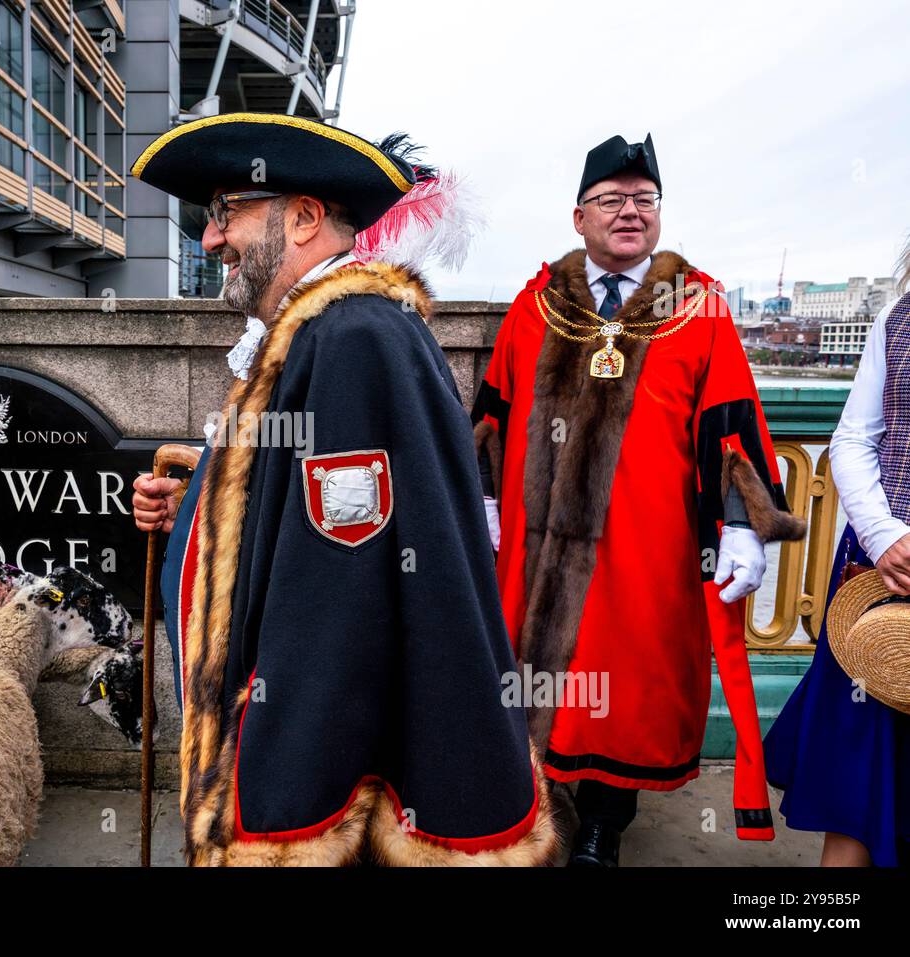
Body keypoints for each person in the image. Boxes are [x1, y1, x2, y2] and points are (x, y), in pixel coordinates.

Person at [129, 112, 556, 866]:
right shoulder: (320, 333)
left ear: (302, 218)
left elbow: (338, 591)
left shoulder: (353, 341)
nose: (210, 239)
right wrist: (197, 506)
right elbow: (294, 496)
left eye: (226, 212)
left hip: (320, 786)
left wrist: (286, 805)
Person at [470, 133, 806, 866]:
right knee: (541, 679)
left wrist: (745, 525)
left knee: (627, 690)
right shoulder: (535, 307)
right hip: (540, 543)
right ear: (579, 216)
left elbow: (734, 422)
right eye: (613, 200)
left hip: (647, 547)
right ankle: (543, 804)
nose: (631, 212)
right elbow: (491, 411)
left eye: (644, 200)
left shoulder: (700, 307)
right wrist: (487, 504)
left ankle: (603, 823)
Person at [764, 237, 910, 867]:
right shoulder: (896, 319)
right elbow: (853, 439)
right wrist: (885, 536)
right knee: (862, 760)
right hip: (886, 570)